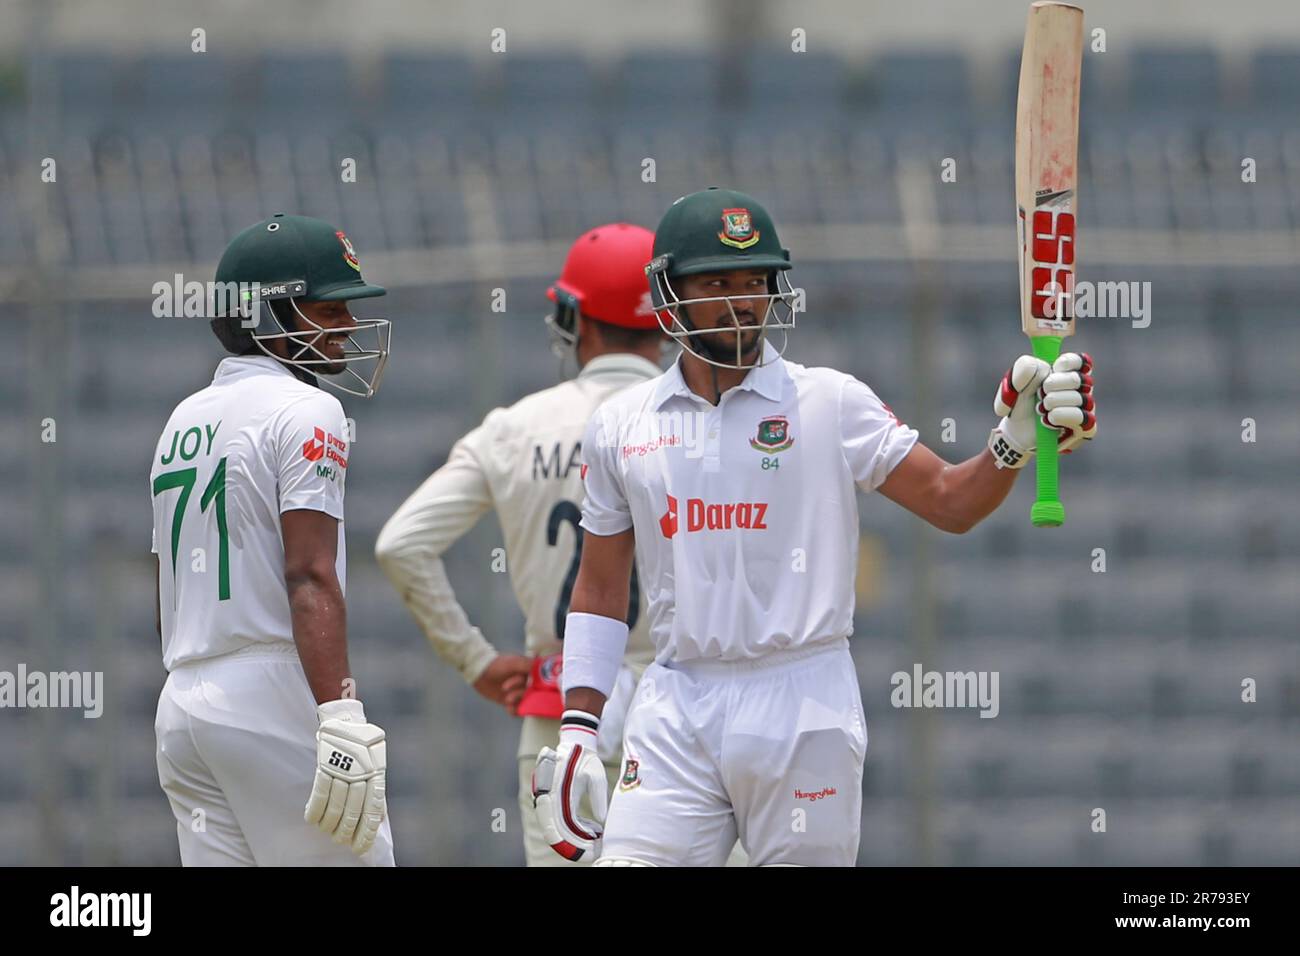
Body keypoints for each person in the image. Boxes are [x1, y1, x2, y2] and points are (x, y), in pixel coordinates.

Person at [532, 187, 1097, 866]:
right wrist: (577, 728)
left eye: (757, 281)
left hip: (803, 704)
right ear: (668, 294)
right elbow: (598, 590)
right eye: (717, 281)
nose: (744, 300)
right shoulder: (622, 425)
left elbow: (952, 501)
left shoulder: (829, 402)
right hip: (675, 702)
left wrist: (1013, 439)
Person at [374, 223, 662, 866]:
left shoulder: (516, 427)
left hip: (564, 711)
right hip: (684, 713)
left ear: (573, 317)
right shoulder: (698, 422)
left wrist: (474, 659)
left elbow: (402, 544)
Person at [151, 213, 395, 865]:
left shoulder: (182, 416)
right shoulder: (307, 409)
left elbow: (166, 585)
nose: (346, 327)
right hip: (271, 693)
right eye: (328, 308)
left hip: (181, 704)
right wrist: (339, 713)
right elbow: (309, 574)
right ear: (269, 317)